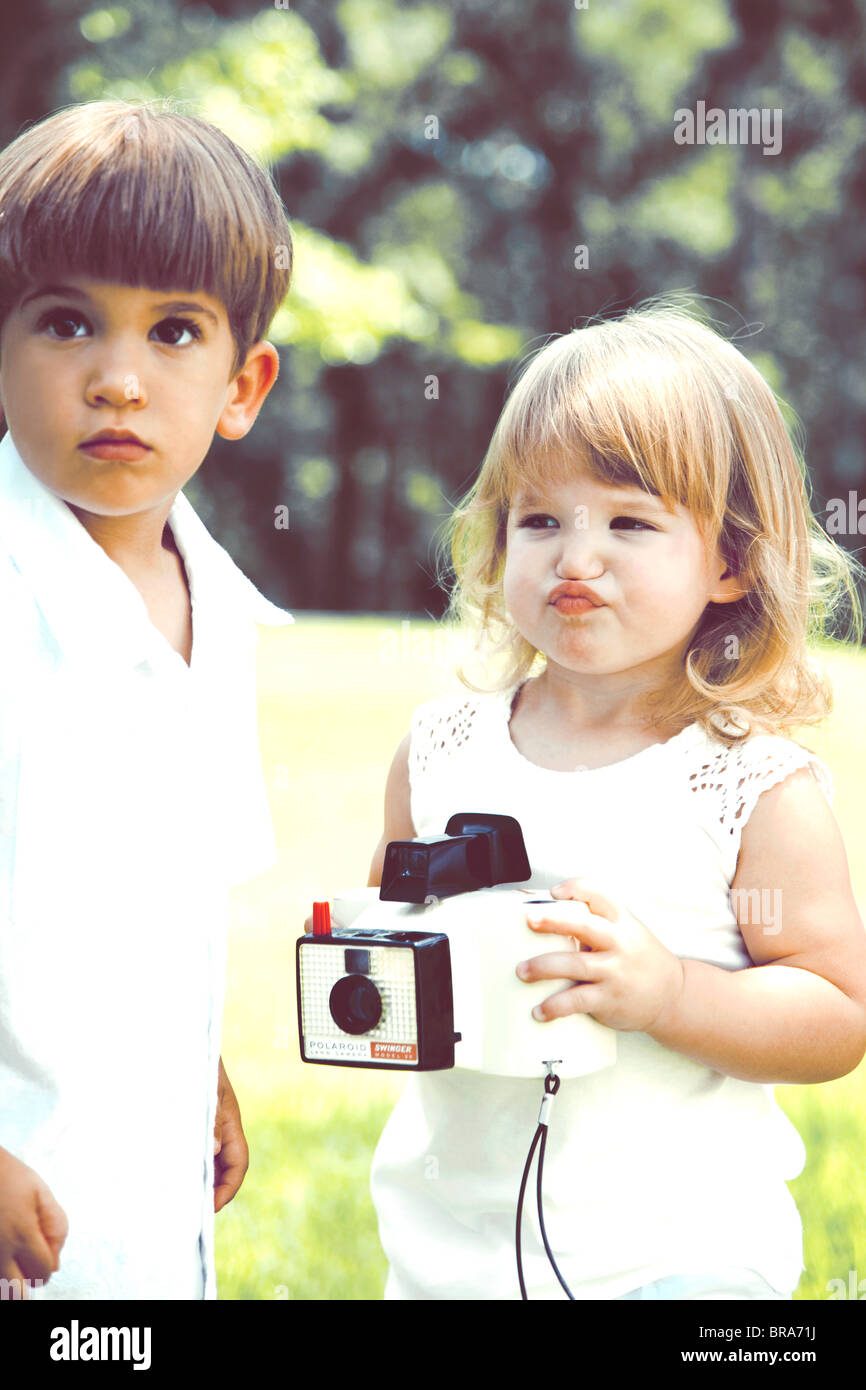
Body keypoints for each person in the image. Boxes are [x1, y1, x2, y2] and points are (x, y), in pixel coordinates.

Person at [365, 298, 866, 1300]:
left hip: (680, 1258)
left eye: (628, 522)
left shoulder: (747, 785)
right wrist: (361, 962)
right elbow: (395, 948)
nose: (575, 557)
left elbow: (837, 1012)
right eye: (538, 519)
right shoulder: (439, 751)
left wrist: (671, 993)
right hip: (456, 1248)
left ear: (727, 559)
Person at [0, 99, 294, 1300]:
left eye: (174, 333)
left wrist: (198, 1063)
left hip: (140, 1210)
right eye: (68, 322)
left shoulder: (215, 607)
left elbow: (158, 897)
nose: (118, 378)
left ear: (242, 385)